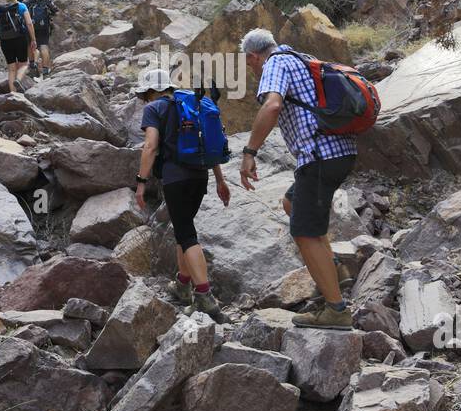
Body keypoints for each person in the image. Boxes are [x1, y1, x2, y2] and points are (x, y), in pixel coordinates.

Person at [238, 28, 357, 329]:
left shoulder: (274, 63)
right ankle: (335, 270)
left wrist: (249, 151)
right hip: (339, 151)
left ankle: (337, 311)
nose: (252, 69)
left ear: (253, 56)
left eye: (249, 64)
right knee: (292, 202)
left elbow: (273, 105)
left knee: (303, 231)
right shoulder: (300, 57)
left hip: (319, 156)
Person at [134, 68, 231, 319]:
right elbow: (208, 143)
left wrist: (141, 182)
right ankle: (182, 284)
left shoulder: (154, 109)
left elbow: (150, 146)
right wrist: (220, 180)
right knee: (182, 229)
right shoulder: (192, 103)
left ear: (151, 92)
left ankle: (204, 296)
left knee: (187, 235)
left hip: (176, 179)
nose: (145, 100)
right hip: (200, 176)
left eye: (145, 95)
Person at [0, 0, 37, 93]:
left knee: (11, 68)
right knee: (24, 64)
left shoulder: (0, 9)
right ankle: (18, 80)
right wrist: (33, 39)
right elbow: (29, 23)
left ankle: (13, 94)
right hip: (20, 39)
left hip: (5, 41)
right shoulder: (21, 6)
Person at [23, 0, 59, 78]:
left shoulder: (27, 1)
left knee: (30, 45)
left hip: (31, 27)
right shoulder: (45, 0)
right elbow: (55, 11)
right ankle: (46, 71)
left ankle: (32, 67)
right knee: (44, 47)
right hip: (43, 28)